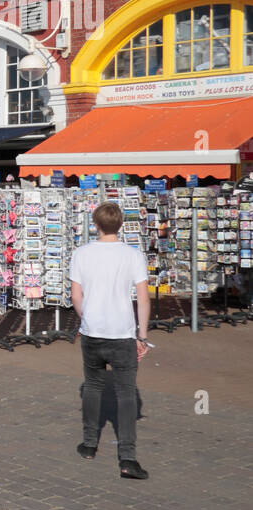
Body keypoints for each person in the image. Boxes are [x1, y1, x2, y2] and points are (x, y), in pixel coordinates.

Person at [70, 202, 151, 481]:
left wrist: (86, 317)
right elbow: (142, 297)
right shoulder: (132, 255)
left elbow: (76, 296)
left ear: (96, 224)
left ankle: (89, 444)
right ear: (121, 225)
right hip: (122, 333)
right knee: (126, 393)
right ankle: (127, 457)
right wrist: (143, 334)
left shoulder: (81, 254)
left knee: (92, 386)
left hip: (93, 331)